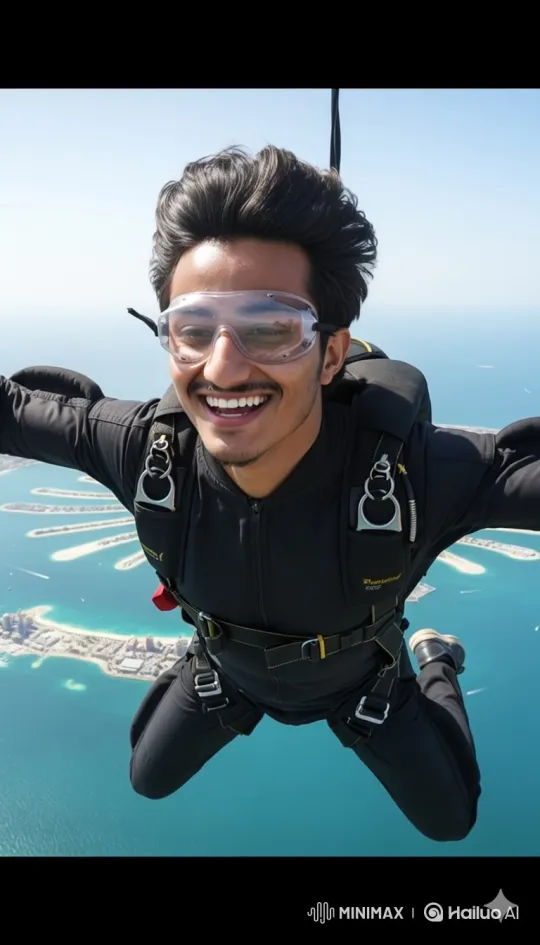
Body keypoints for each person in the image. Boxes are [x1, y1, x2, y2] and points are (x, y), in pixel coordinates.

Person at [1, 146, 539, 844]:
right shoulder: (145, 451)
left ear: (334, 353)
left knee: (450, 820)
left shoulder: (419, 472)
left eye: (272, 328)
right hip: (230, 673)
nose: (222, 366)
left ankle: (437, 658)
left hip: (364, 686)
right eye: (193, 329)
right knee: (146, 773)